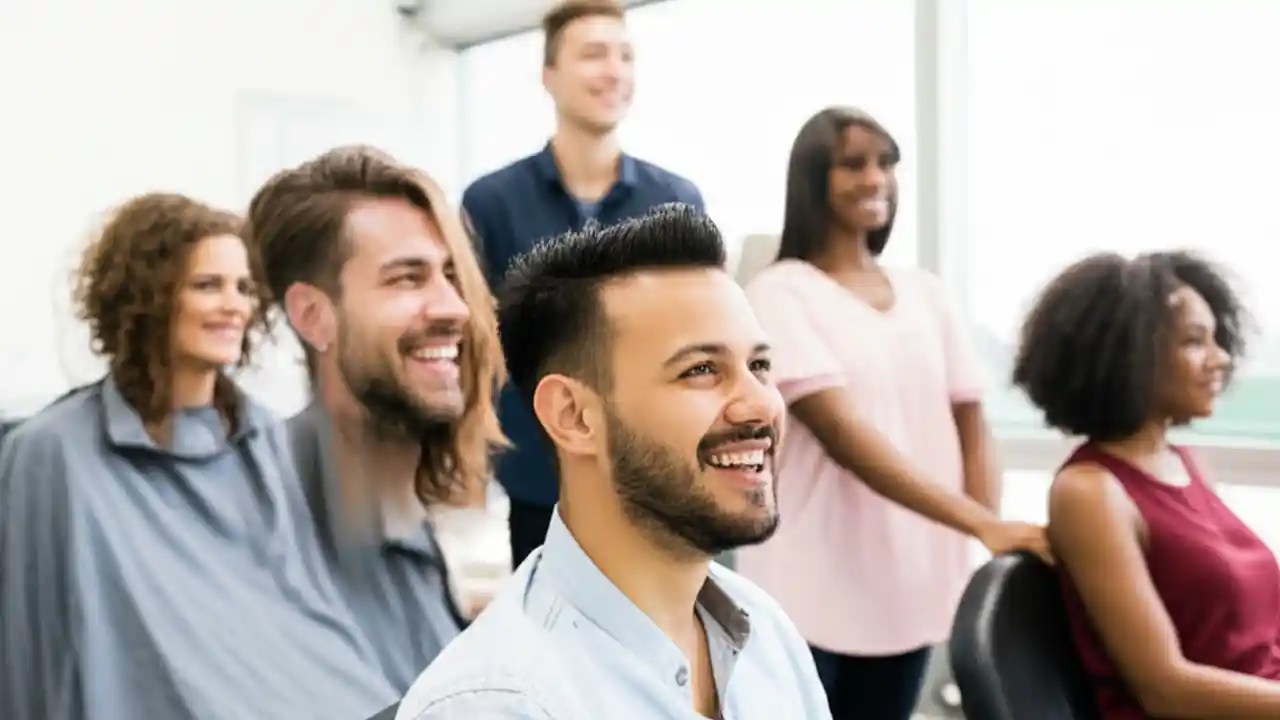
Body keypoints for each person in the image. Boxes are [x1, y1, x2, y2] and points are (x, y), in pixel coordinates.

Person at [395, 204, 831, 719]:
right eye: (701, 369)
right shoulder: (498, 705)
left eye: (758, 365)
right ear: (575, 416)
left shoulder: (767, 634)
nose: (761, 404)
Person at [0, 192, 396, 719]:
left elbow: (306, 610)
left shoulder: (268, 442)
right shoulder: (54, 454)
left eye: (244, 288)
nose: (235, 305)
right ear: (151, 296)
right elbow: (30, 646)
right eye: (208, 285)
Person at [736, 106, 1051, 720]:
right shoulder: (779, 292)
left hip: (909, 587)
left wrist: (988, 533)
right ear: (812, 179)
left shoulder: (926, 292)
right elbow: (846, 437)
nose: (875, 178)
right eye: (852, 164)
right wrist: (978, 524)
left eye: (886, 163)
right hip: (812, 588)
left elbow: (971, 424)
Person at [247, 145, 508, 692]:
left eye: (449, 276)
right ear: (314, 316)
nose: (454, 308)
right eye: (406, 279)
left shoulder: (398, 512)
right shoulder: (264, 526)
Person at [461, 0, 705, 568]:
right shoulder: (491, 202)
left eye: (625, 55)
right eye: (593, 54)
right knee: (546, 637)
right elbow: (476, 340)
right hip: (535, 474)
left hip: (651, 467)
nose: (613, 70)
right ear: (549, 76)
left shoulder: (675, 202)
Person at [1013, 251, 1280, 719]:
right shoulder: (1090, 492)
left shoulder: (1187, 464)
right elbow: (1166, 688)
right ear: (1128, 357)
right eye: (1195, 342)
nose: (1219, 359)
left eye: (1217, 340)